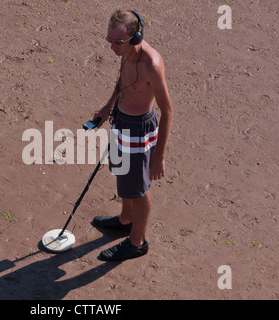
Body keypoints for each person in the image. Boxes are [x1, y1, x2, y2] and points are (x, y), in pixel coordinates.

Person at [92, 10, 173, 261]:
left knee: (138, 188)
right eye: (109, 40)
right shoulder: (125, 52)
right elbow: (122, 82)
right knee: (122, 175)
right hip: (120, 120)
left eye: (118, 42)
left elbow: (168, 111)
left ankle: (137, 241)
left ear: (136, 38)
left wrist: (159, 158)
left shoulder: (151, 64)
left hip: (139, 129)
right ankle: (126, 220)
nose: (112, 47)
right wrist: (108, 107)